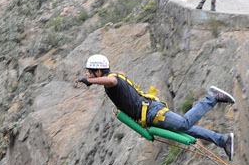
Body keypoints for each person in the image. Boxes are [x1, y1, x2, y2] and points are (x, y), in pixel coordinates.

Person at [76, 54, 236, 159]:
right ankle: (223, 140)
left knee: (184, 124)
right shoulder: (115, 75)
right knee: (187, 130)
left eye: (90, 72)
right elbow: (120, 74)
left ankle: (212, 97)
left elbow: (112, 81)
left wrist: (89, 81)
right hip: (149, 115)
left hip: (153, 111)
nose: (88, 75)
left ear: (98, 71)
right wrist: (93, 79)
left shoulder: (111, 82)